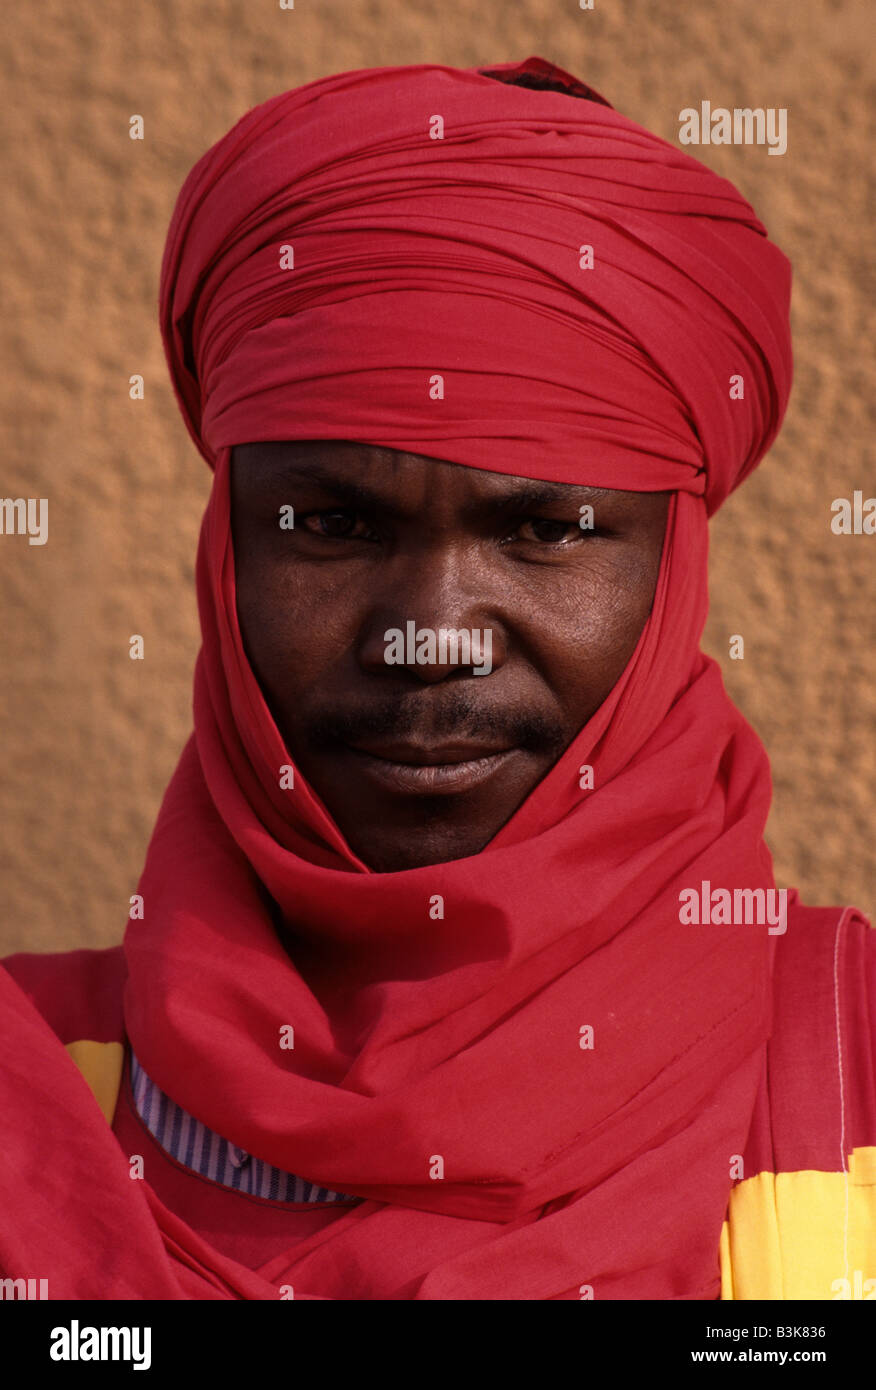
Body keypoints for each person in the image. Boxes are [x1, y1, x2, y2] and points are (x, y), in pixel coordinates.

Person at [1, 56, 872, 1302]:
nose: (430, 634)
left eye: (547, 530)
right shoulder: (32, 1087)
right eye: (332, 525)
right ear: (223, 550)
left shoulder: (858, 1075)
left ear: (673, 565)